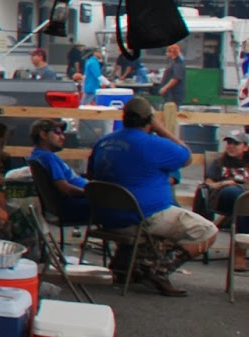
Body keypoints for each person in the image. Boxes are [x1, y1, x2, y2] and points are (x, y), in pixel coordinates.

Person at [87, 96, 218, 296]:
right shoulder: (152, 144)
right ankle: (160, 270)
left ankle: (133, 263)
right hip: (143, 216)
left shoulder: (104, 142)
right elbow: (186, 155)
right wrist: (160, 128)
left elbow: (91, 175)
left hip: (105, 216)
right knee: (207, 230)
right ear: (149, 120)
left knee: (165, 217)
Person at [196, 132, 249, 271]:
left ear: (245, 147)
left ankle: (240, 249)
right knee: (236, 194)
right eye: (229, 143)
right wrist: (226, 183)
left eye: (235, 143)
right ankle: (239, 253)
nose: (231, 146)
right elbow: (209, 183)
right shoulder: (220, 161)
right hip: (224, 197)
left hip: (245, 199)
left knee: (243, 205)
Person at [28, 118, 88, 223]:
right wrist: (92, 194)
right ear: (43, 135)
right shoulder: (47, 157)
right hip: (74, 205)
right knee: (115, 203)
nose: (62, 137)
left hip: (72, 203)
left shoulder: (38, 155)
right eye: (57, 133)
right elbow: (65, 189)